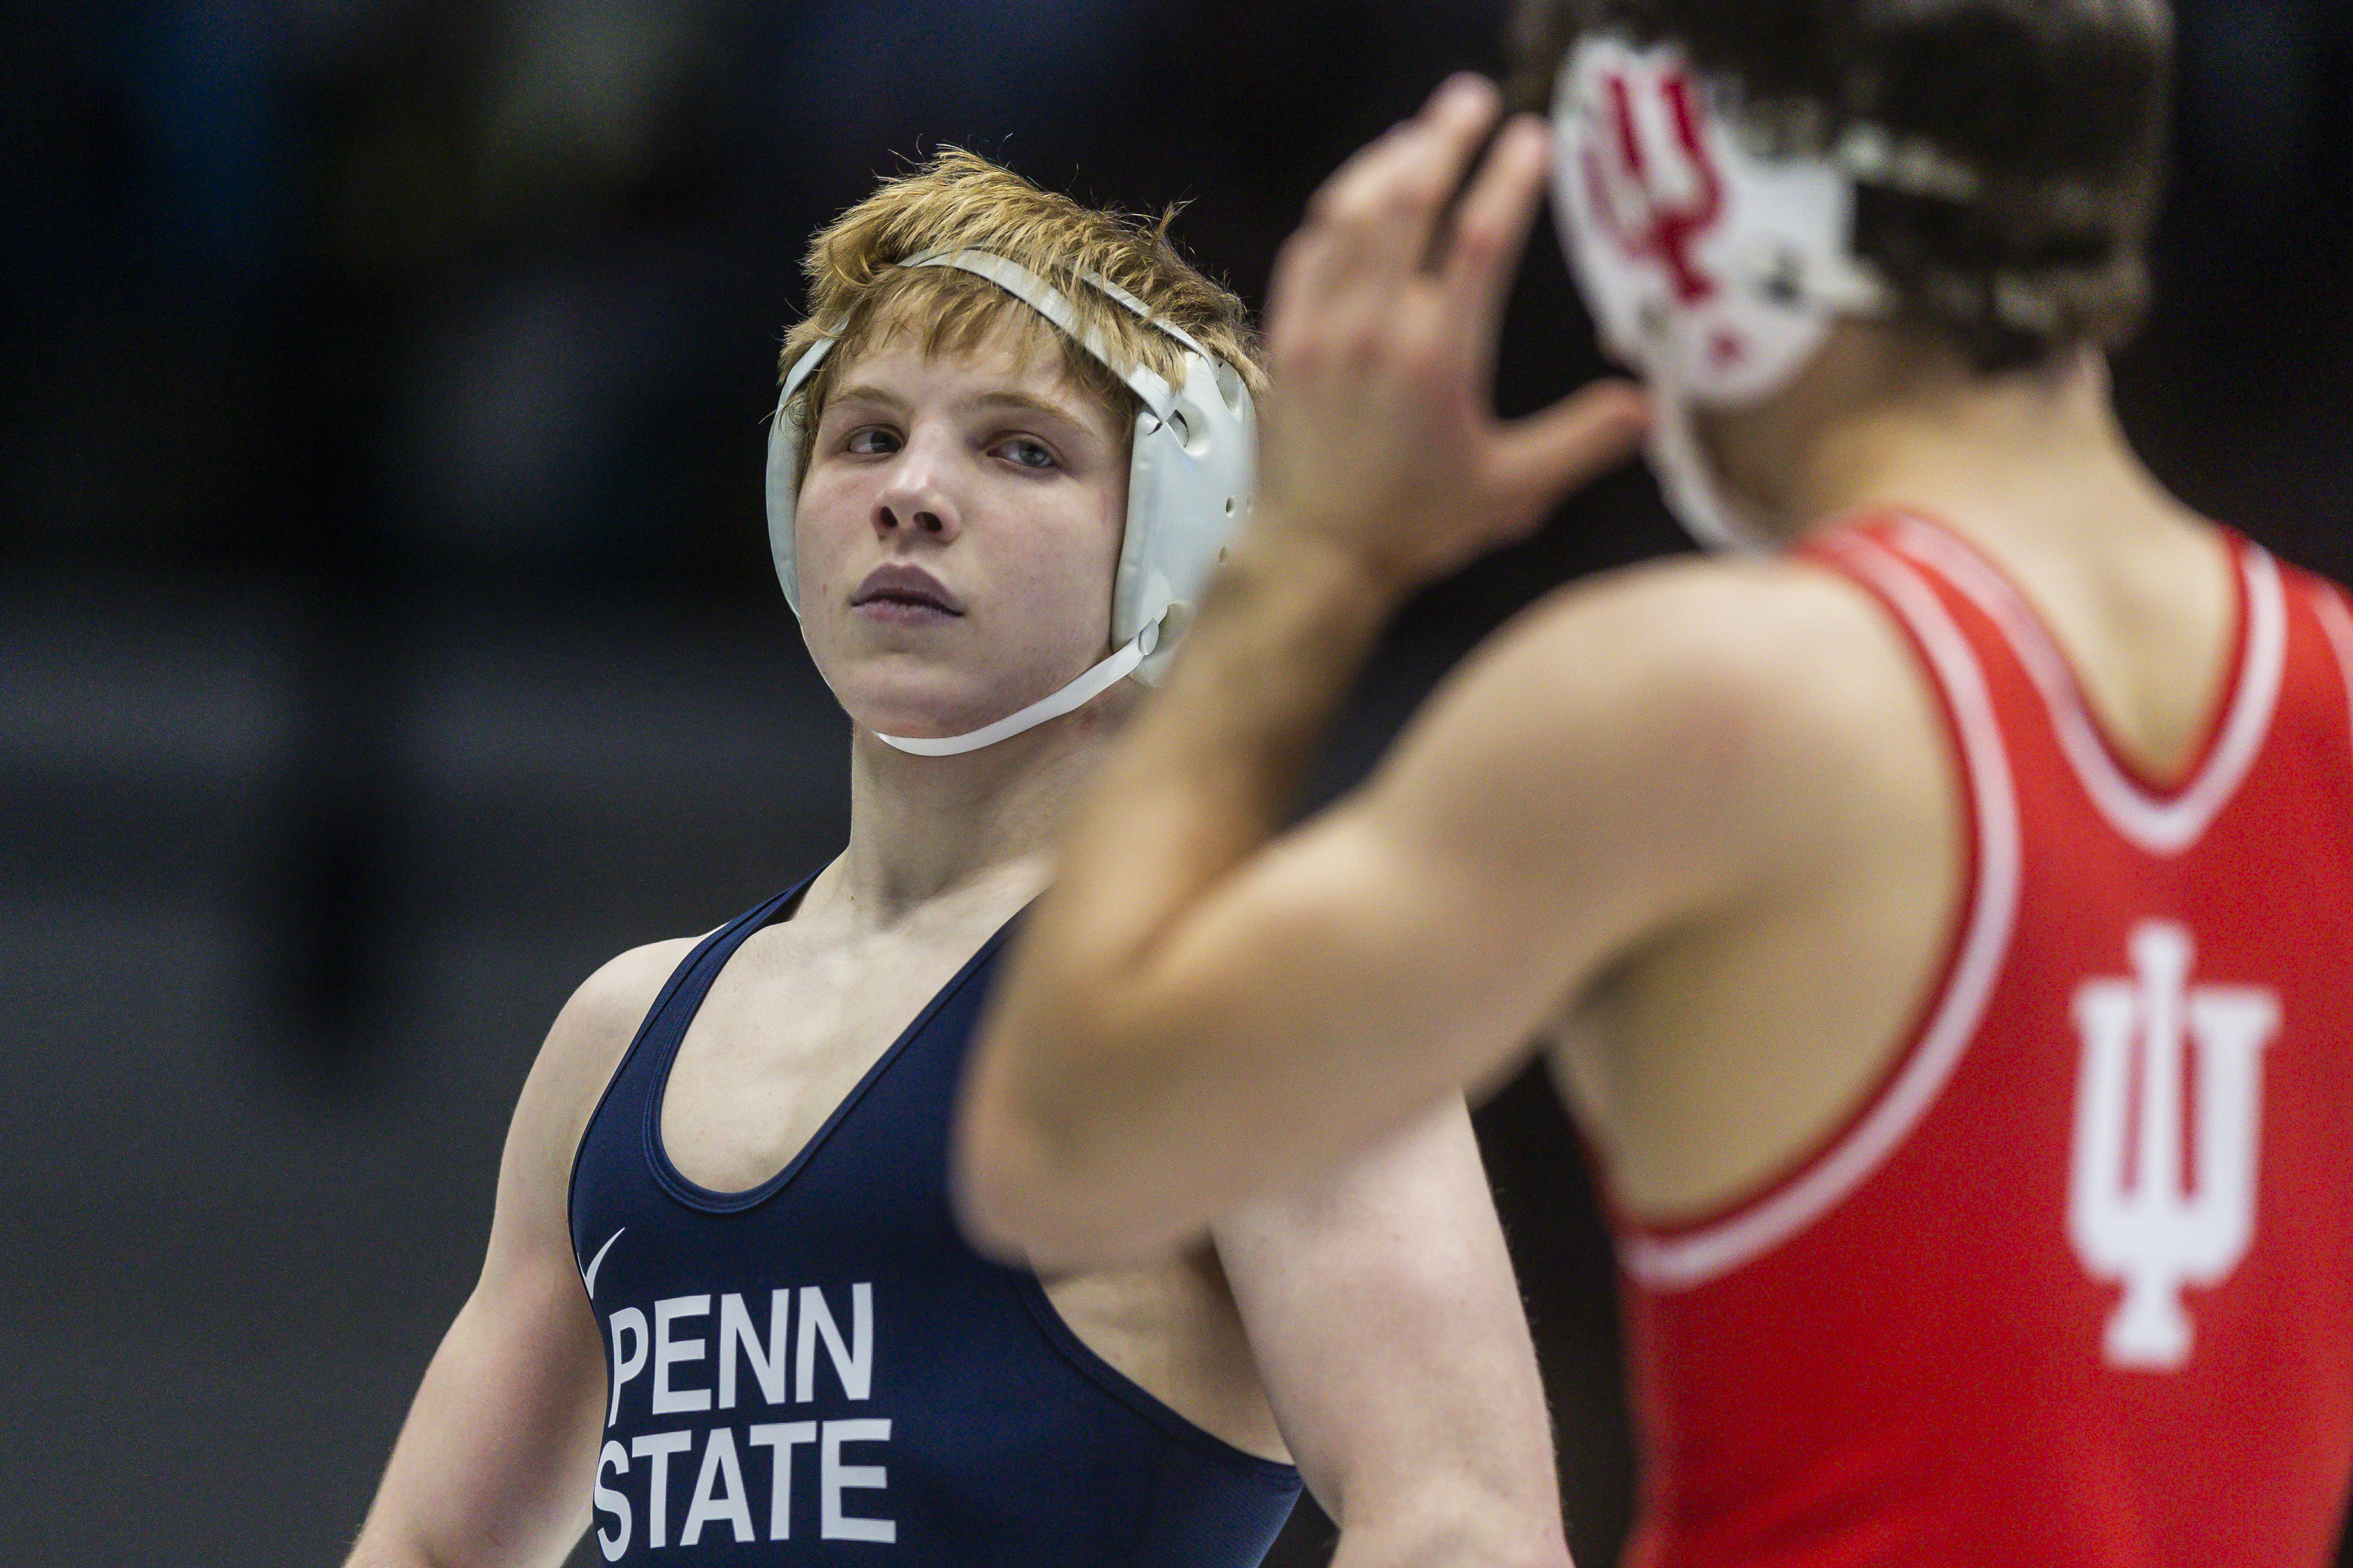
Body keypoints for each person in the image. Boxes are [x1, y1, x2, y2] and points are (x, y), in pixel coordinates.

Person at [957, 4, 2353, 1562]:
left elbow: (1063, 1146)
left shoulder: (1700, 705)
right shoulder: (2332, 699)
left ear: (1690, 209)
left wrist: (1312, 559)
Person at [342, 151, 1572, 1568]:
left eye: (1019, 448)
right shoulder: (619, 1039)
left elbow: (1467, 1527)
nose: (912, 495)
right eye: (864, 437)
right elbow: (428, 1551)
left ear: (1182, 540)